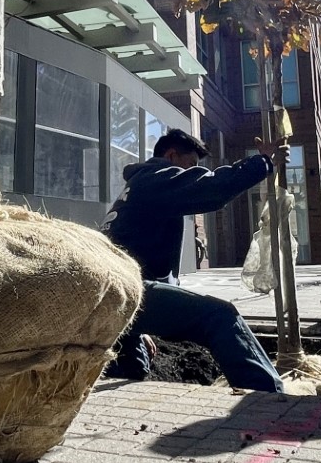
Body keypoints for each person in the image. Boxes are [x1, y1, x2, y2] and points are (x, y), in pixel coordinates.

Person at [103, 128, 287, 392]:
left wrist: (139, 325)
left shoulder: (138, 185)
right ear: (171, 155)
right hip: (125, 290)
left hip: (113, 293)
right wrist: (263, 162)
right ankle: (268, 399)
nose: (190, 173)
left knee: (131, 367)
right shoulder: (155, 177)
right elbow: (212, 188)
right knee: (220, 316)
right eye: (190, 165)